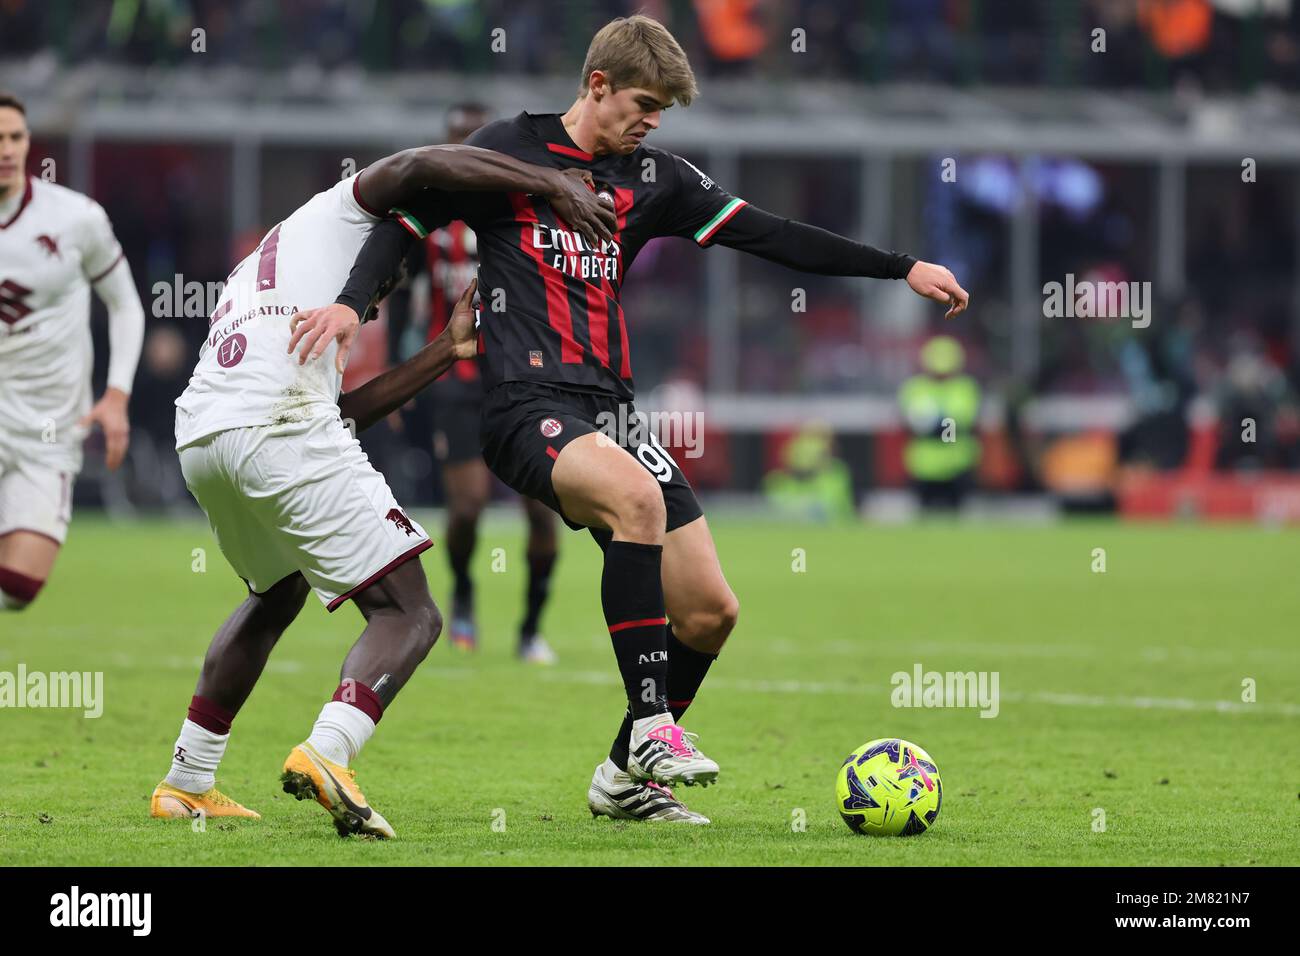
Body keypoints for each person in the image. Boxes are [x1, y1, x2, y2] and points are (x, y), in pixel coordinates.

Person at [320, 14, 968, 825]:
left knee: (709, 610)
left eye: (663, 109)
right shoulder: (507, 149)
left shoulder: (654, 177)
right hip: (525, 405)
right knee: (638, 504)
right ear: (596, 85)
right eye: (643, 103)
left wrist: (901, 266)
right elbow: (406, 220)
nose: (652, 121)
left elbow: (770, 234)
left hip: (614, 413)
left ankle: (624, 777)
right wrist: (352, 305)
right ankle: (657, 728)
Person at [150, 142, 613, 838]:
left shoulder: (266, 267)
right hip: (275, 427)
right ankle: (328, 753)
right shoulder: (345, 212)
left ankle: (185, 781)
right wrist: (551, 183)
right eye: (386, 285)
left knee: (275, 593)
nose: (377, 300)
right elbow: (422, 164)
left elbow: (340, 414)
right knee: (411, 613)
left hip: (205, 434)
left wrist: (444, 353)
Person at [387, 102, 560, 663]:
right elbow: (397, 301)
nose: (466, 154)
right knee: (466, 507)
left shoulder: (523, 209)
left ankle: (531, 627)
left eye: (476, 143)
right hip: (457, 376)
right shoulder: (429, 219)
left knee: (541, 511)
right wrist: (397, 376)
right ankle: (462, 597)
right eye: (457, 142)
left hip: (523, 375)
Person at [0, 91, 145, 612]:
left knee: (19, 589)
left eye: (15, 137)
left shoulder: (76, 219)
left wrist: (117, 394)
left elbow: (126, 305)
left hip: (49, 424)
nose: (8, 149)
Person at [898, 336, 981, 509]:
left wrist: (933, 425)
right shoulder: (915, 387)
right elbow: (907, 421)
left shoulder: (964, 387)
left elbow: (959, 423)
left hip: (957, 464)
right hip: (923, 465)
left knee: (956, 520)